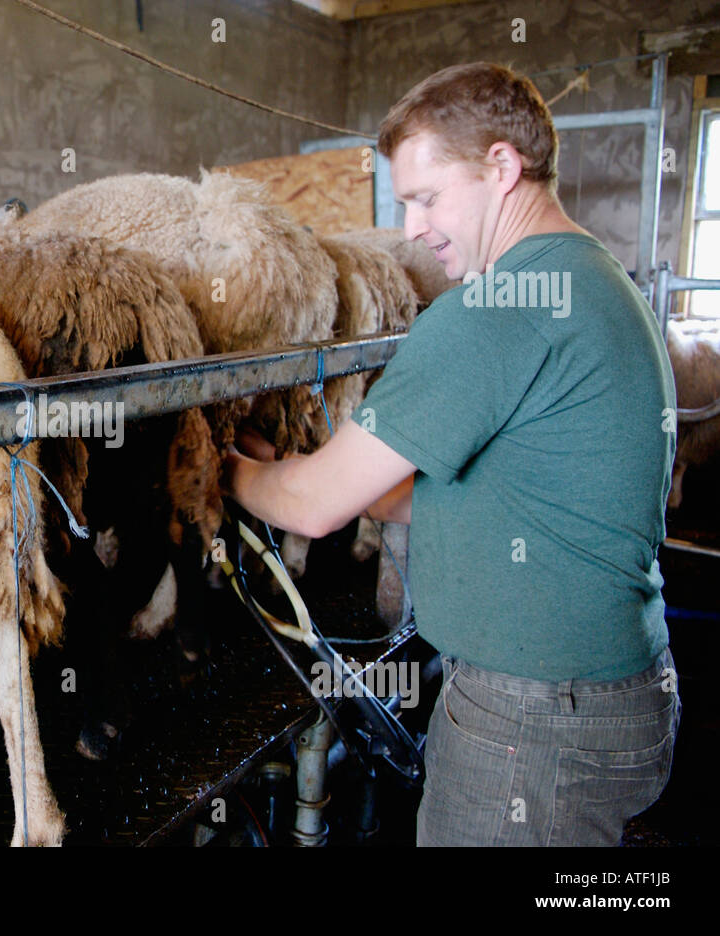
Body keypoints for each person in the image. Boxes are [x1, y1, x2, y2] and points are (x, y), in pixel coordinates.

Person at [223, 62, 681, 846]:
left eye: (428, 197)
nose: (411, 227)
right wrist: (311, 471)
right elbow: (499, 489)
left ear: (502, 167)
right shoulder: (595, 278)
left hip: (532, 725)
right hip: (616, 694)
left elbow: (311, 508)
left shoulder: (493, 310)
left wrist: (231, 474)